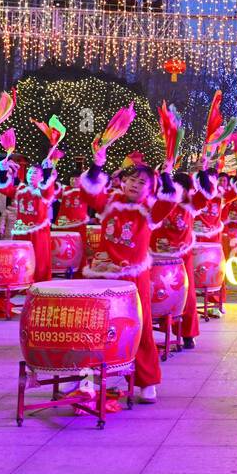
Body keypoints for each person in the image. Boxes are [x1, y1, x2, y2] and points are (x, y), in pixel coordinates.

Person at [81, 151, 175, 403]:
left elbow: (168, 202)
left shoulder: (150, 210)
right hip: (104, 276)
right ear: (123, 181)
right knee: (95, 329)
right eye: (132, 179)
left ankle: (147, 381)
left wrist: (167, 176)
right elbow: (89, 192)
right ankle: (87, 381)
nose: (135, 184)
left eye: (142, 182)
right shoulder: (110, 201)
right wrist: (97, 164)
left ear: (150, 188)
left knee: (139, 329)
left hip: (134, 279)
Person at [152, 170, 201, 348]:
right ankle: (163, 328)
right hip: (158, 257)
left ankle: (188, 334)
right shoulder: (163, 203)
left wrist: (202, 170)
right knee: (160, 294)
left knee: (187, 297)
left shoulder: (191, 205)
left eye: (184, 189)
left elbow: (205, 194)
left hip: (182, 258)